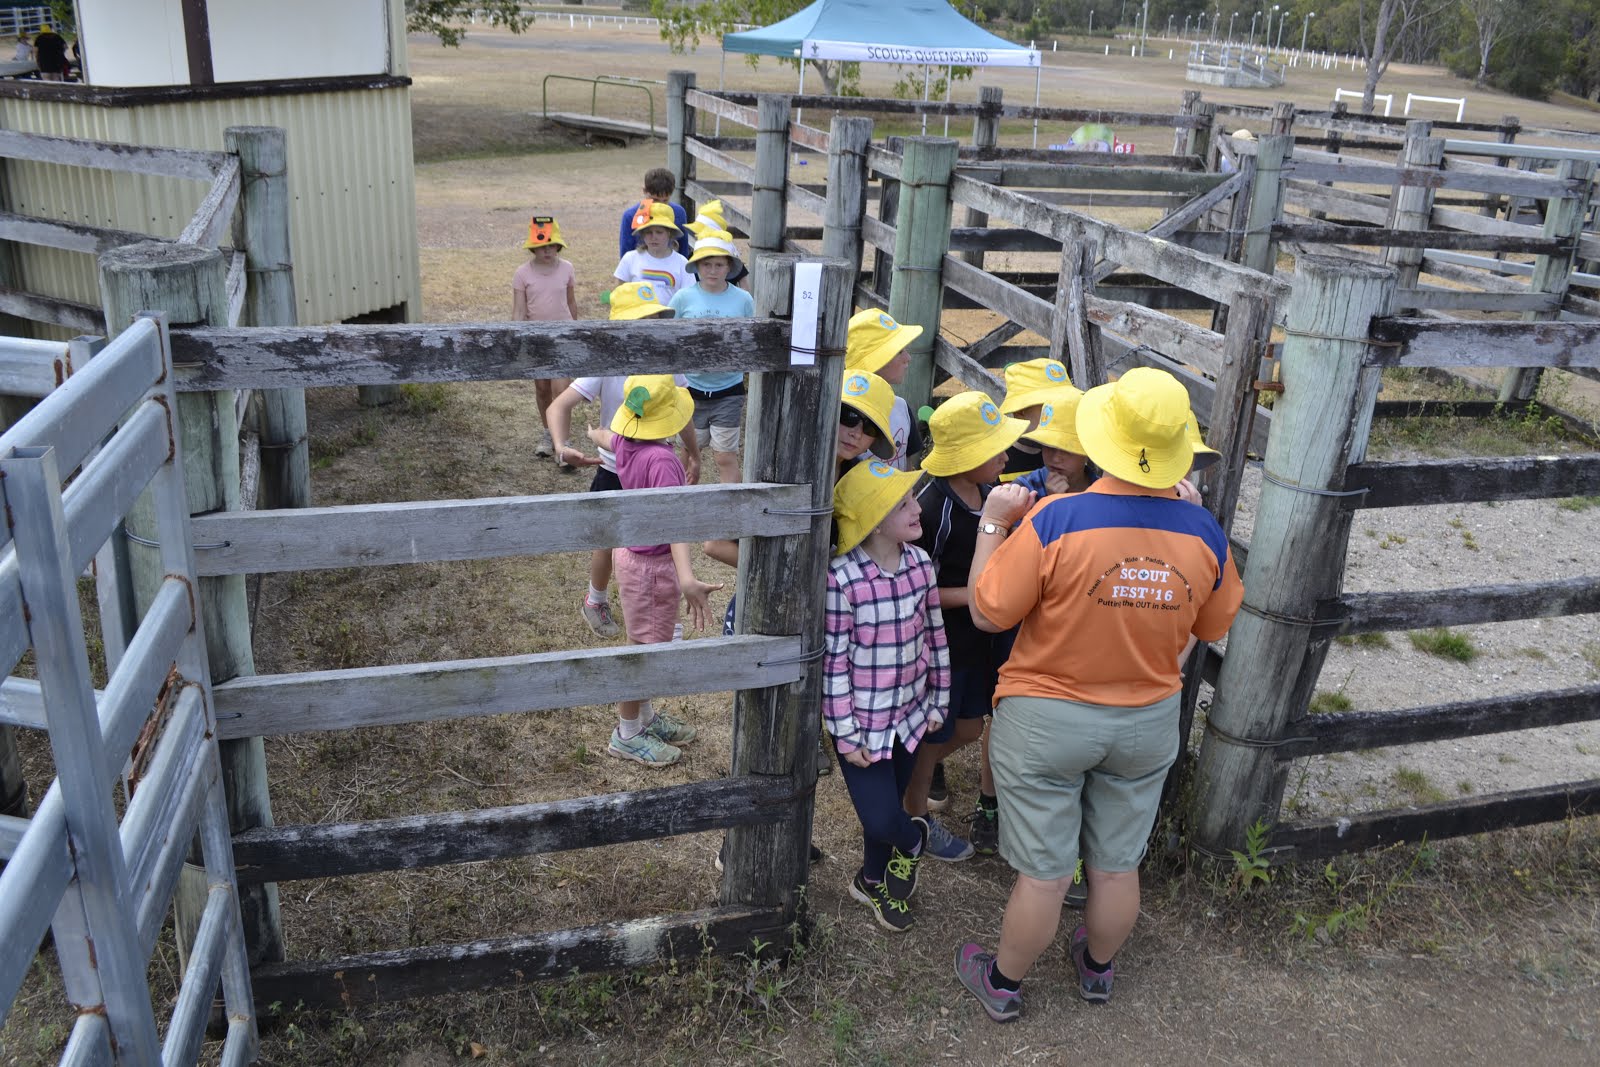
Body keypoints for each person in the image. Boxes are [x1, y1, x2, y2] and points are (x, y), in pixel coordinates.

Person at [953, 367, 1243, 1022]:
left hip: (1048, 716)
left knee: (1047, 873)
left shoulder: (1058, 518)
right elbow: (1211, 625)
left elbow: (989, 612)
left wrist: (992, 527)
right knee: (1116, 865)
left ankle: (1002, 981)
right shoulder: (1205, 533)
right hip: (1145, 719)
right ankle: (1098, 967)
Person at [825, 458, 949, 932]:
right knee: (882, 818)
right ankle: (913, 840)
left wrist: (938, 701)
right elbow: (834, 661)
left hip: (910, 716)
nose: (917, 507)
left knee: (891, 800)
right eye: (903, 503)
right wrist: (845, 732)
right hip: (863, 724)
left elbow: (935, 636)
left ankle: (872, 879)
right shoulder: (842, 580)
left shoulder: (920, 565)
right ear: (875, 522)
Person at [905, 392, 1026, 863]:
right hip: (941, 643)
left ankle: (912, 777)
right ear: (968, 457)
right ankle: (915, 816)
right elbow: (917, 586)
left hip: (980, 639)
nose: (1005, 455)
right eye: (995, 449)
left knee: (971, 727)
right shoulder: (932, 508)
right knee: (936, 732)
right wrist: (979, 598)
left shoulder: (987, 493)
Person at [545, 282, 700, 639]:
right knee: (608, 542)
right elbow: (559, 405)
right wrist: (560, 445)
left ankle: (658, 610)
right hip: (614, 468)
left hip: (654, 469)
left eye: (653, 322)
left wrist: (692, 452)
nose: (645, 331)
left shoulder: (667, 363)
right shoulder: (606, 366)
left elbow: (683, 411)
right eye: (637, 324)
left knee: (657, 542)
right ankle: (596, 599)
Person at [593, 375, 724, 766]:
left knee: (645, 640)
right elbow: (674, 523)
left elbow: (605, 437)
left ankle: (644, 716)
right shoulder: (663, 461)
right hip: (652, 566)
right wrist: (686, 578)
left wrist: (591, 432)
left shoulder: (626, 442)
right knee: (644, 651)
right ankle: (627, 733)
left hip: (631, 557)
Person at [669, 230, 752, 486]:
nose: (713, 270)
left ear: (729, 267)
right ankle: (677, 500)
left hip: (729, 390)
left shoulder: (744, 299)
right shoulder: (683, 298)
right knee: (685, 451)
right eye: (707, 264)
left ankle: (731, 509)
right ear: (697, 266)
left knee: (725, 456)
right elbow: (669, 336)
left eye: (719, 264)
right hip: (690, 389)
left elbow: (752, 337)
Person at [512, 215, 578, 464]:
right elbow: (519, 311)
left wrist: (575, 332)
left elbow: (571, 303)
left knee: (562, 390)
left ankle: (564, 440)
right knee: (542, 388)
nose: (547, 250)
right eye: (542, 245)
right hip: (536, 339)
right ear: (533, 247)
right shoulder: (522, 274)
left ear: (558, 246)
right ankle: (547, 433)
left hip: (562, 338)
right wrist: (517, 338)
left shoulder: (567, 269)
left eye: (552, 245)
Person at [845, 309, 925, 470]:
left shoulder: (901, 408)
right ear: (877, 361)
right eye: (899, 351)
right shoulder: (842, 413)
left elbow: (907, 466)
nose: (907, 358)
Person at [996, 358, 1072, 483]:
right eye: (1049, 408)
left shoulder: (1063, 455)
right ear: (1020, 411)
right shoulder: (998, 461)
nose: (1060, 413)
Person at [613, 202, 690, 307]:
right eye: (648, 232)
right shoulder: (630, 259)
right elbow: (620, 296)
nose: (654, 237)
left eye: (659, 232)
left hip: (671, 321)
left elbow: (688, 301)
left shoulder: (682, 263)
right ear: (643, 234)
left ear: (669, 233)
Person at [617, 167, 690, 258]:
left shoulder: (679, 213)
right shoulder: (630, 216)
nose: (659, 204)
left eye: (665, 200)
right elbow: (625, 253)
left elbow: (683, 249)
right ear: (644, 191)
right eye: (655, 200)